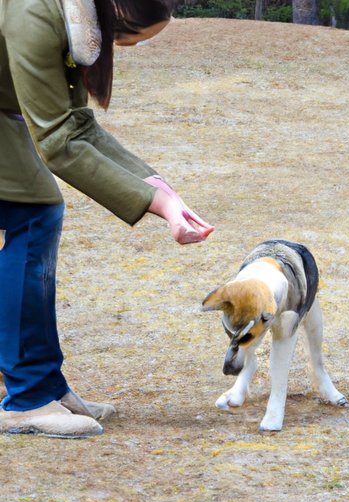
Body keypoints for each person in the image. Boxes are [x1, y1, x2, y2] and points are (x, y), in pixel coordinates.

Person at [0, 0, 214, 438]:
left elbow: (80, 124)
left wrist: (159, 188)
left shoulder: (75, 14)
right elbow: (58, 140)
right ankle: (26, 398)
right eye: (125, 40)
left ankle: (44, 385)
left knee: (35, 214)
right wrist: (155, 203)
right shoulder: (36, 13)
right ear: (113, 18)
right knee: (34, 216)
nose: (123, 50)